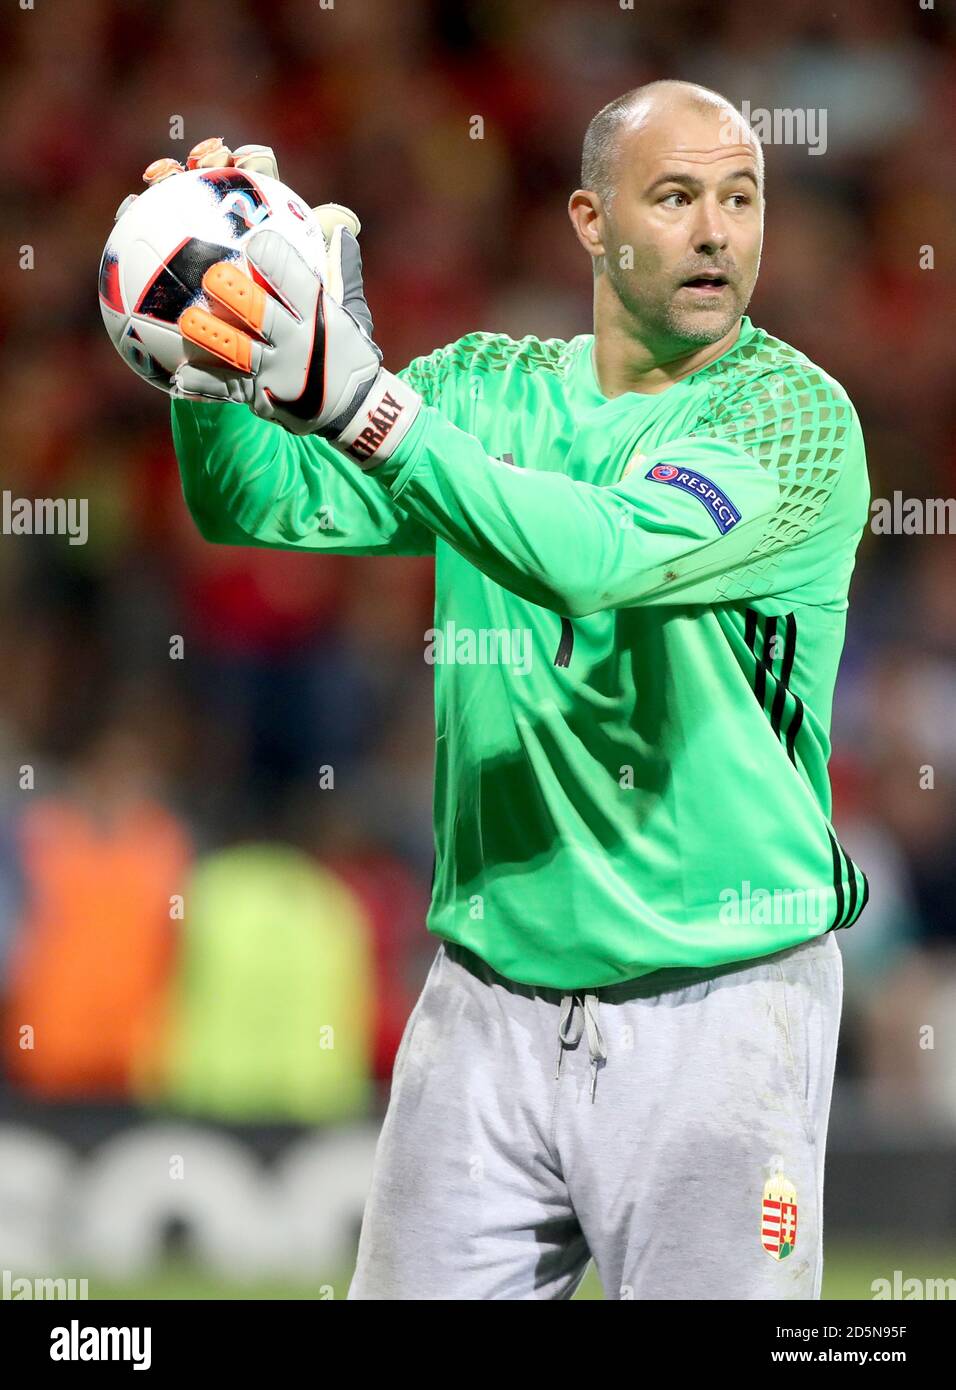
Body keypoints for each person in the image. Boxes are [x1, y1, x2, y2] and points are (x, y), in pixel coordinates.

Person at [148, 80, 870, 1299]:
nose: (713, 232)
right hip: (481, 1006)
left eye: (739, 200)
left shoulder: (792, 422)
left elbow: (592, 557)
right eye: (676, 196)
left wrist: (369, 406)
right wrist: (200, 331)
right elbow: (254, 501)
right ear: (590, 223)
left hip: (720, 1007)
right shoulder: (486, 389)